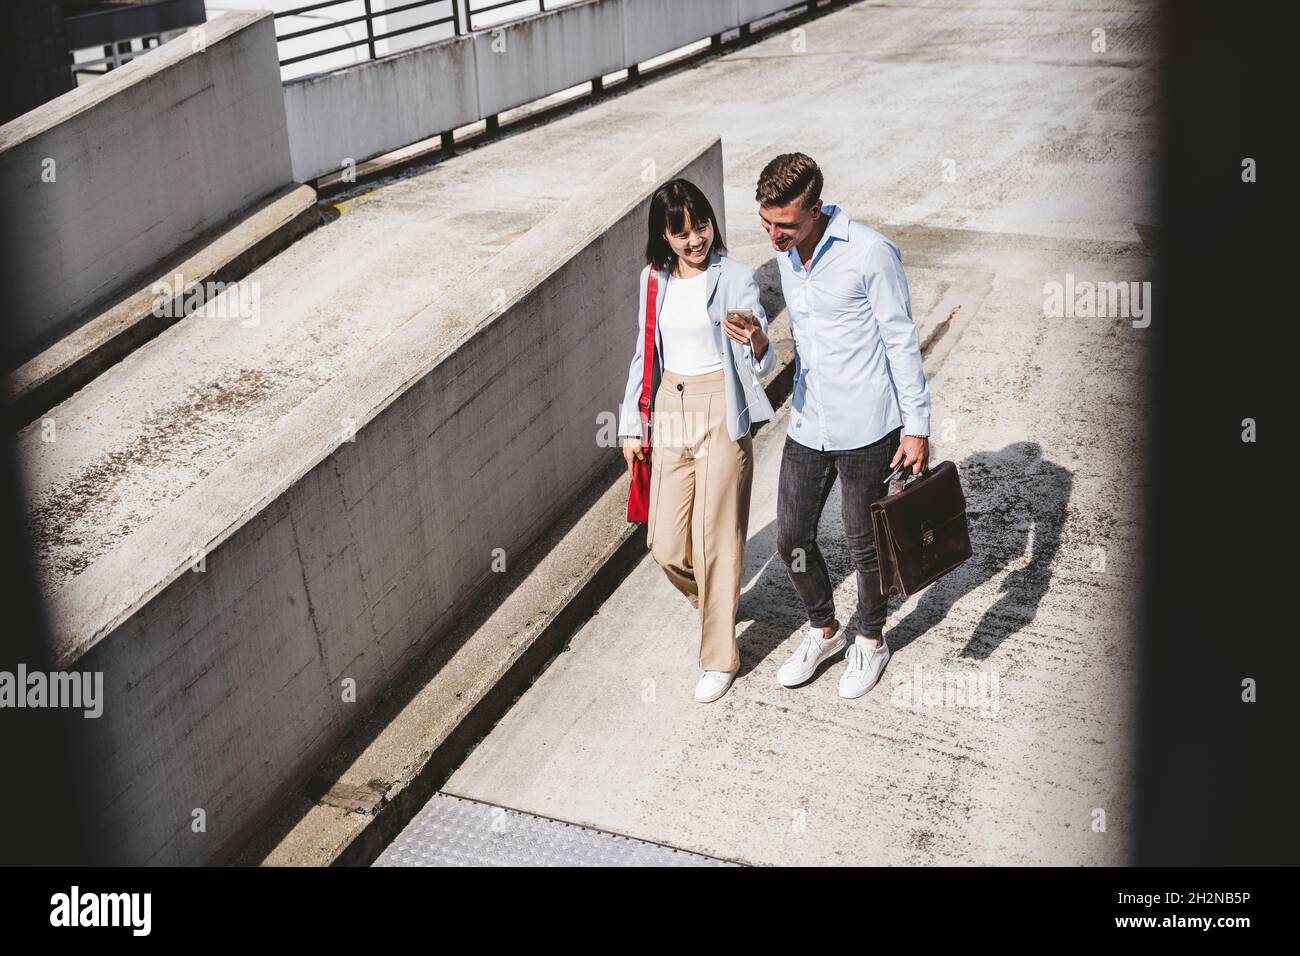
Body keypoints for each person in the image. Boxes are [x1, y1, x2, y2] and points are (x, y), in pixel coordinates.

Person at [756, 153, 932, 699]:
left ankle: (872, 638)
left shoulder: (870, 253)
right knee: (791, 538)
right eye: (765, 223)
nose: (772, 236)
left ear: (815, 210)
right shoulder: (787, 256)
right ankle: (824, 628)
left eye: (783, 224)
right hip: (809, 421)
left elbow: (900, 340)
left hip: (868, 425)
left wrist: (916, 426)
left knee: (863, 545)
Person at [618, 178, 776, 703]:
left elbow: (764, 357)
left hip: (720, 405)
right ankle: (718, 603)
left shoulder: (735, 276)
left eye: (701, 225)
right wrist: (630, 423)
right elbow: (645, 354)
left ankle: (718, 656)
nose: (695, 240)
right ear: (664, 235)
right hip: (670, 407)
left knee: (716, 539)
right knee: (663, 544)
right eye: (681, 231)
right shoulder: (652, 280)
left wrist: (754, 337)